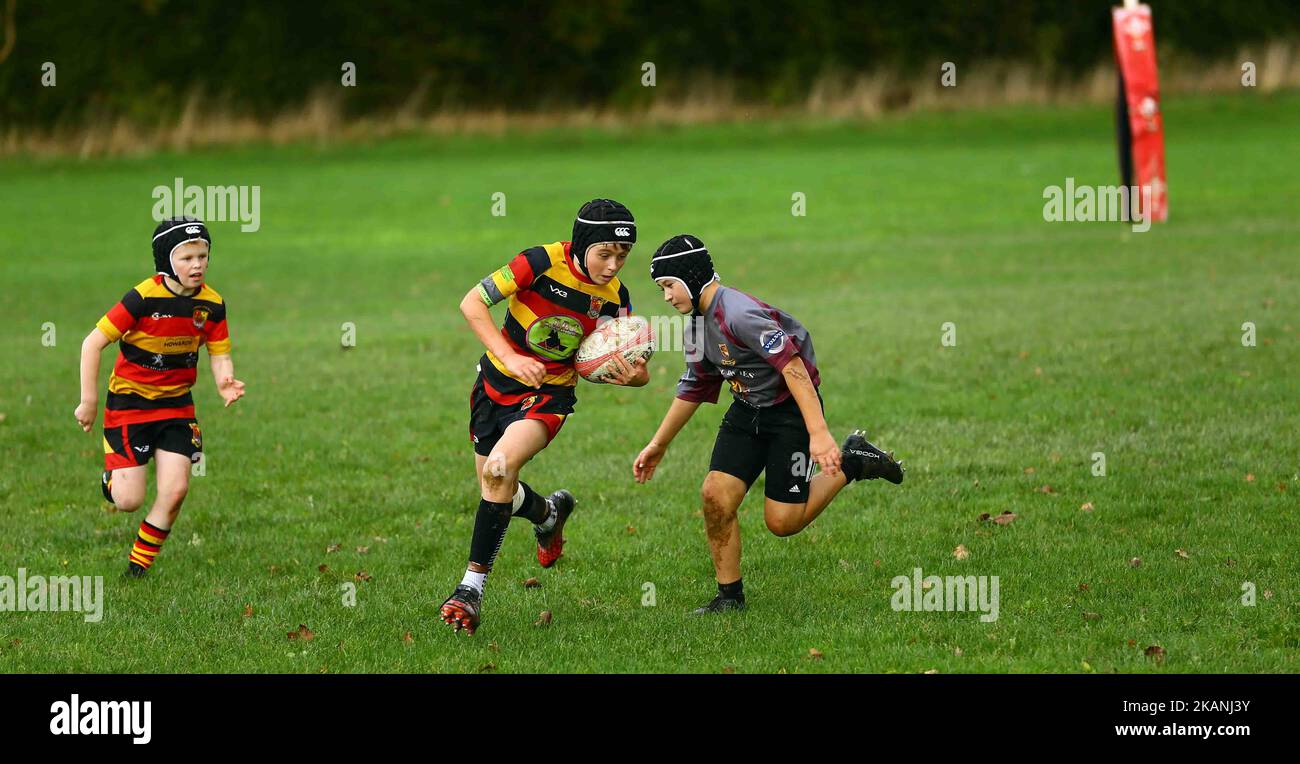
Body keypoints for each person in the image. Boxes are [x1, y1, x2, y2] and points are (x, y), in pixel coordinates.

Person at [633, 234, 904, 614]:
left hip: (789, 413)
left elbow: (793, 369)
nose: (666, 296)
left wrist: (818, 433)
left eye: (668, 286)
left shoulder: (740, 315)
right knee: (715, 495)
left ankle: (853, 461)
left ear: (691, 278)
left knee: (783, 522)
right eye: (661, 289)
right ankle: (729, 598)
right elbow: (695, 385)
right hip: (746, 411)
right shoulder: (694, 325)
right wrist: (658, 444)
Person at [440, 199, 650, 635]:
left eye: (622, 256)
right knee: (495, 485)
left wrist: (632, 377)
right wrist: (510, 359)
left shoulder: (615, 299)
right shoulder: (537, 262)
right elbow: (471, 303)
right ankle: (549, 514)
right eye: (604, 254)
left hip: (548, 396)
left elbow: (631, 363)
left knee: (499, 471)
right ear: (582, 244)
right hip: (493, 385)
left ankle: (470, 590)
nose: (613, 266)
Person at [74, 216, 245, 577]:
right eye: (187, 257)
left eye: (203, 256)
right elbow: (92, 344)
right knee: (129, 500)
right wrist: (88, 402)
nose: (197, 264)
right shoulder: (142, 298)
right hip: (130, 406)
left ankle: (138, 568)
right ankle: (112, 480)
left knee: (177, 489)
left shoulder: (212, 304)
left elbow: (219, 351)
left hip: (177, 407)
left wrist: (224, 380)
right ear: (166, 259)